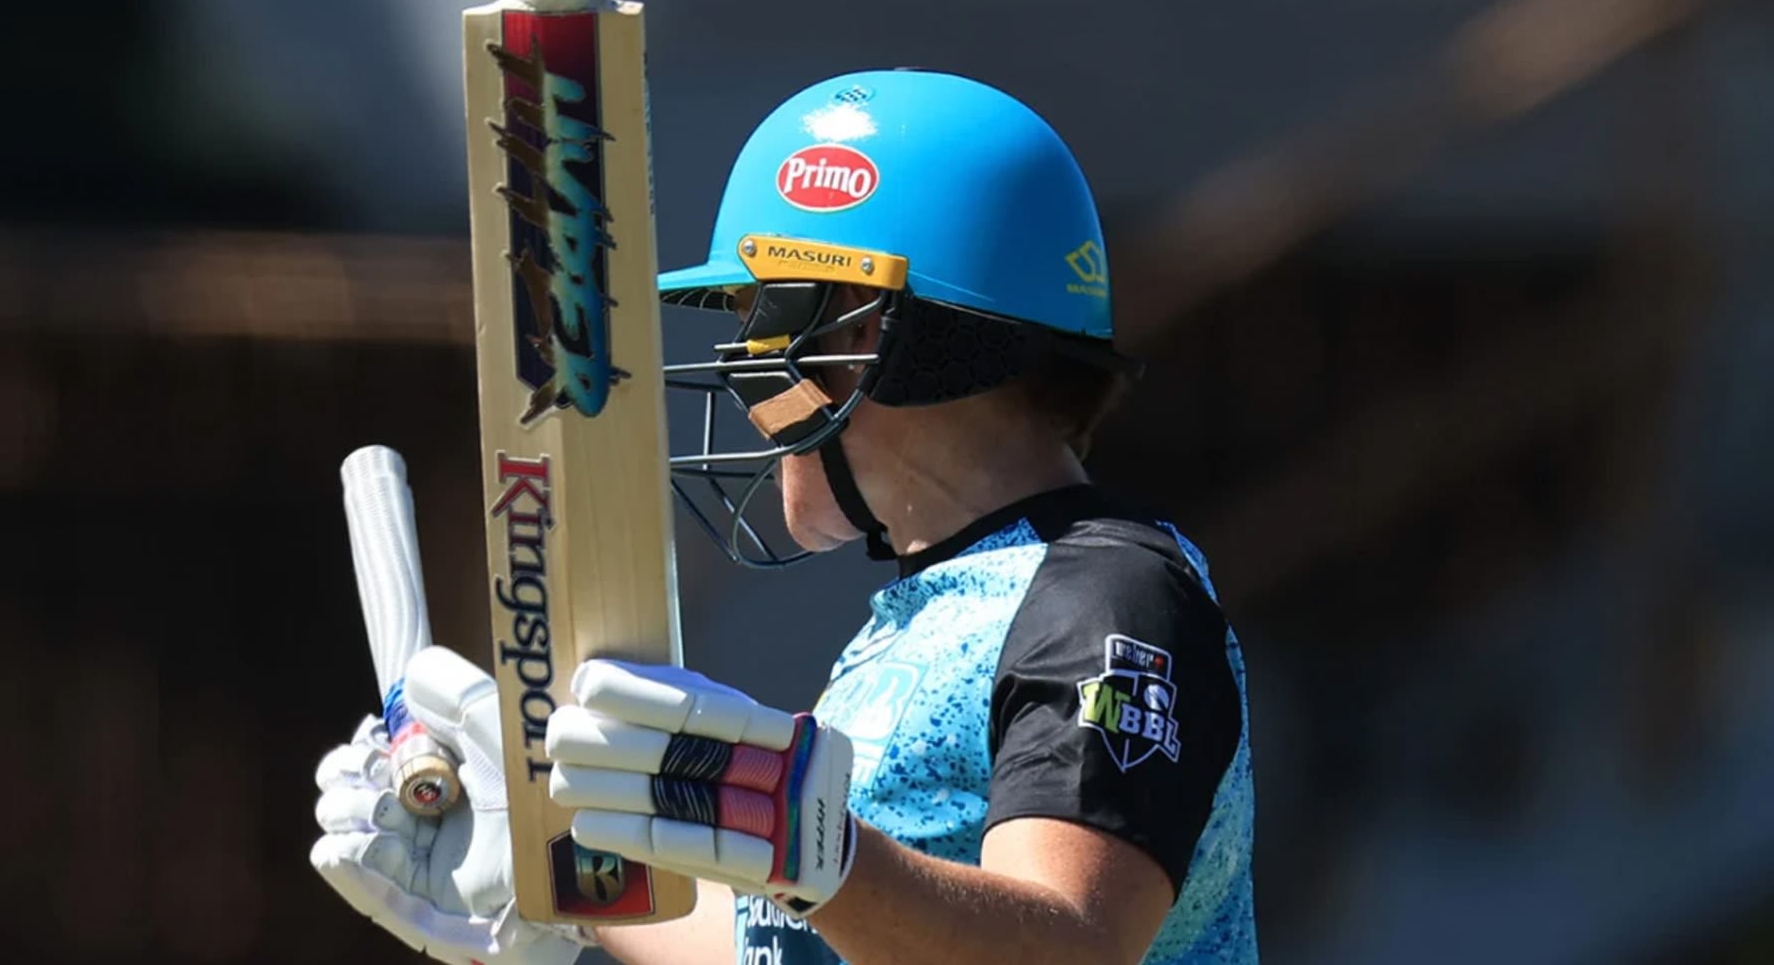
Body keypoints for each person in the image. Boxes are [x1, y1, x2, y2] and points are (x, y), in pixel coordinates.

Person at [312, 69, 1258, 964]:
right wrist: (557, 871)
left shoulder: (1110, 598)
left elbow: (1073, 946)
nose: (743, 368)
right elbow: (791, 947)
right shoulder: (936, 610)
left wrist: (803, 846)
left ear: (863, 329)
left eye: (766, 314)